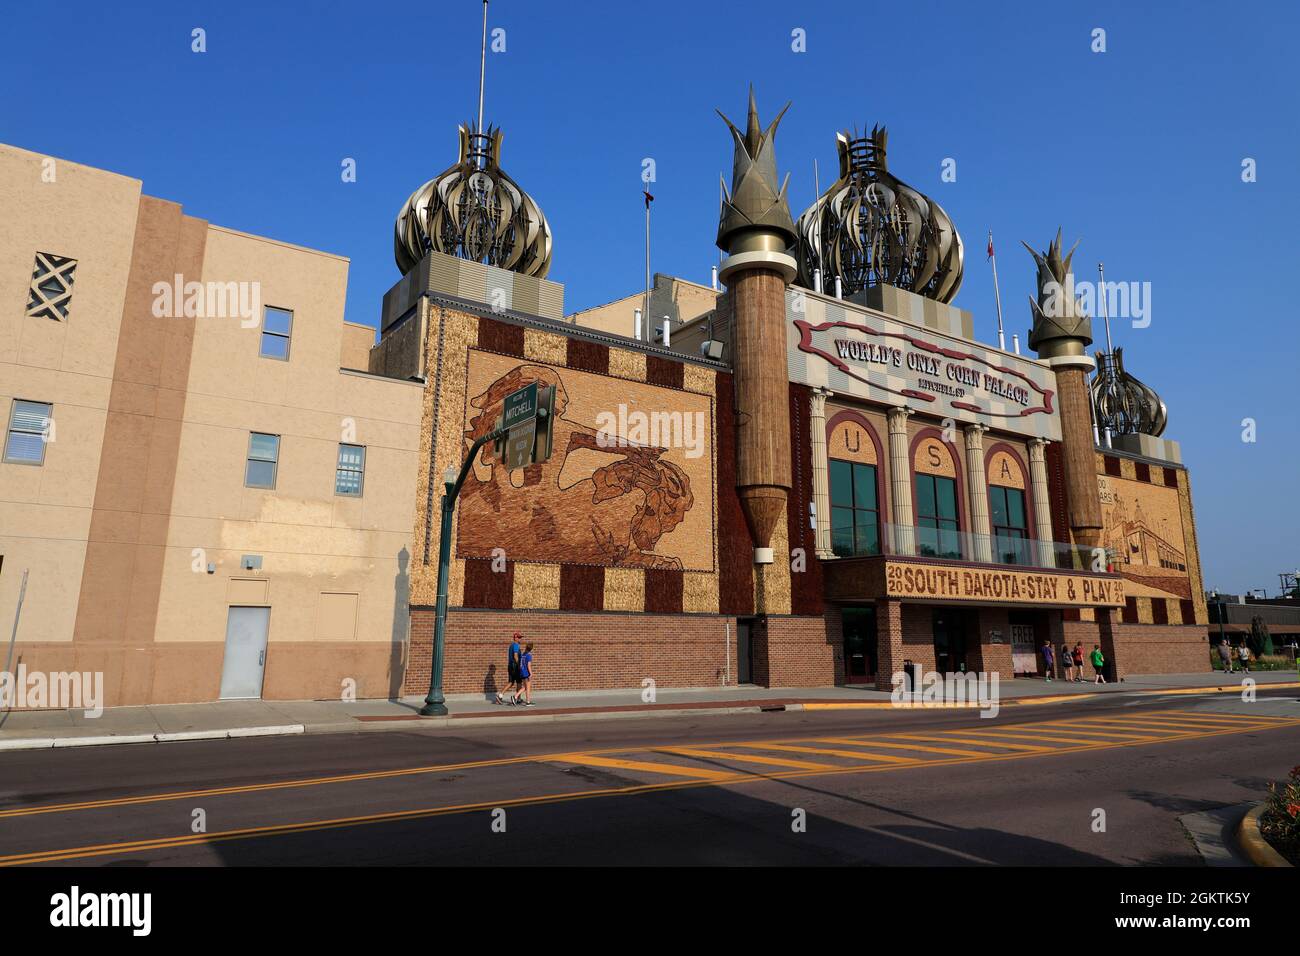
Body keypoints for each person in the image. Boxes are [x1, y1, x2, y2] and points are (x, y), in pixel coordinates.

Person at [495, 632, 524, 704]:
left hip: (510, 666)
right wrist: (519, 665)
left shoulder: (511, 645)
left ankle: (500, 696)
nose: (520, 639)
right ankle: (518, 698)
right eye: (519, 637)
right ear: (515, 638)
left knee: (511, 682)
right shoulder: (516, 645)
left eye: (521, 637)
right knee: (519, 682)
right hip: (515, 667)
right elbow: (515, 656)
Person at [515, 642, 535, 706]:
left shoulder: (523, 654)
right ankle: (526, 701)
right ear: (531, 649)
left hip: (522, 672)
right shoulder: (529, 655)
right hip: (526, 673)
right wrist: (531, 673)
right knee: (527, 688)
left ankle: (518, 697)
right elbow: (529, 665)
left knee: (526, 687)